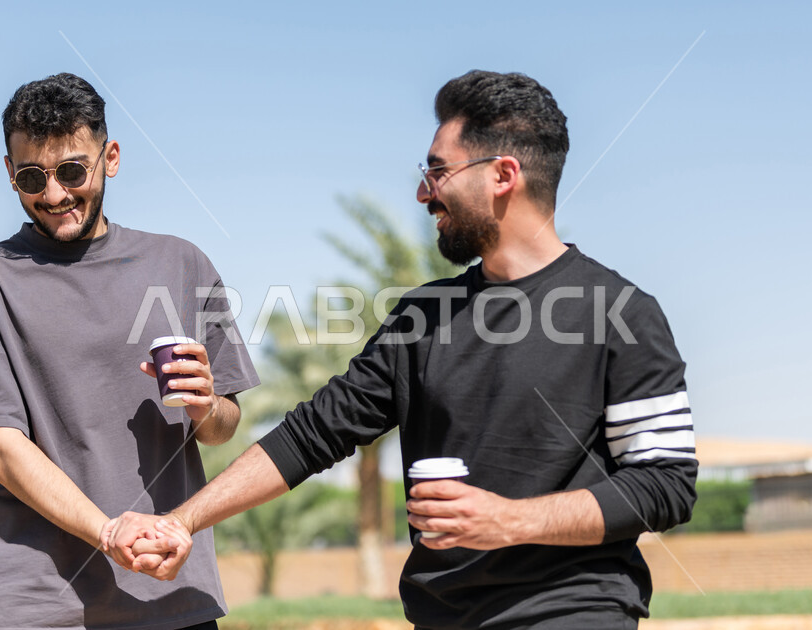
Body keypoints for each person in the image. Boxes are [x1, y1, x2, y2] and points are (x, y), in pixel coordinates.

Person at [111, 70, 697, 628]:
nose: (423, 192)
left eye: (438, 171)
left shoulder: (622, 312)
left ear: (502, 175)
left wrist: (509, 521)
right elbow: (313, 435)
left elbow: (665, 486)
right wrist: (180, 522)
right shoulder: (423, 315)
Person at [0, 72, 258, 630]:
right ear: (10, 174)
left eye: (72, 171)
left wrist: (207, 406)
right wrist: (106, 530)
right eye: (32, 177)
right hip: (35, 607)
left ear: (112, 158)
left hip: (171, 596)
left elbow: (222, 429)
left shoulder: (182, 264)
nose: (54, 195)